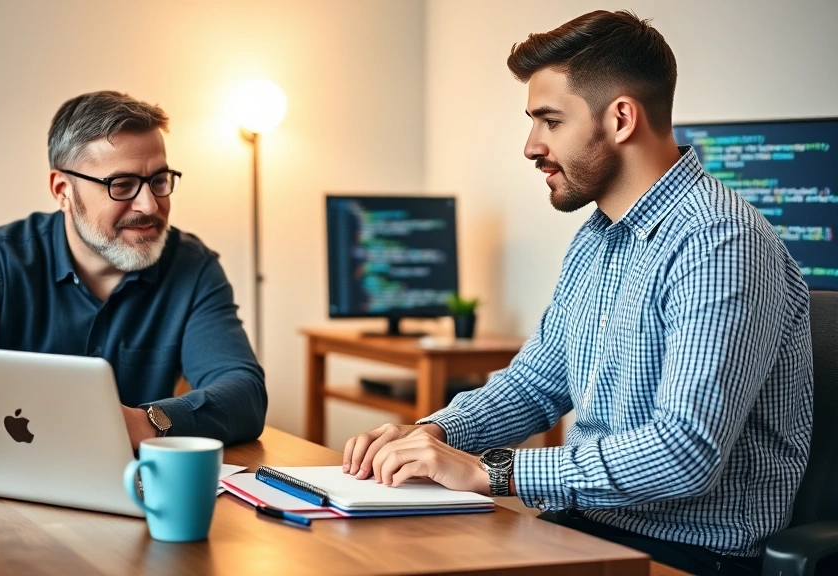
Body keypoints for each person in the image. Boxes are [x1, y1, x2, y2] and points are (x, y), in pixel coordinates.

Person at [342, 10, 811, 575]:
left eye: (550, 121)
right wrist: (433, 433)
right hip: (586, 527)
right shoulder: (597, 239)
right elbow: (536, 385)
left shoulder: (721, 242)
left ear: (619, 119)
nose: (531, 146)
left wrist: (490, 472)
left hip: (686, 553)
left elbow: (685, 452)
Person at [0, 90, 267, 449]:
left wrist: (146, 422)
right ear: (63, 191)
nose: (150, 205)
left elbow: (244, 394)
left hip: (132, 491)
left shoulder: (193, 267)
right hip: (8, 493)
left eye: (158, 180)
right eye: (122, 185)